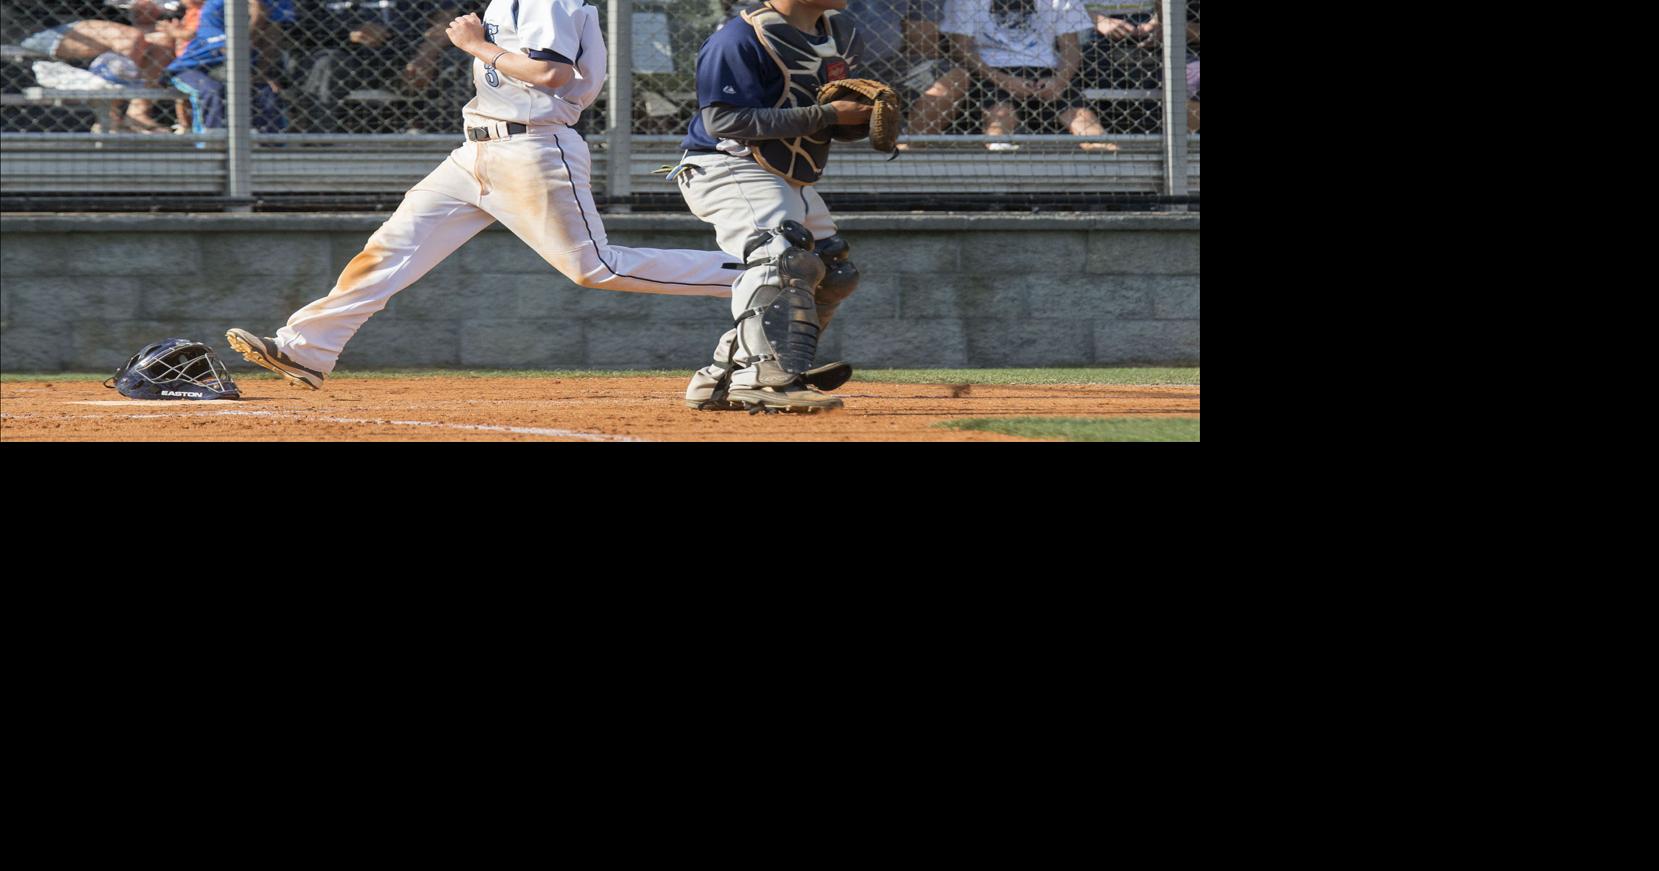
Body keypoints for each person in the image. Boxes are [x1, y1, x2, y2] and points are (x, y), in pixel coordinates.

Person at [225, 1, 740, 391]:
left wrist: (476, 45)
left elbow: (551, 73)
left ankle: (759, 278)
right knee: (391, 248)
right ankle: (307, 349)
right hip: (475, 149)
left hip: (532, 147)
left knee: (596, 268)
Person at [671, 0, 871, 413]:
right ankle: (763, 375)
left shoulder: (840, 34)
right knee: (782, 257)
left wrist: (852, 121)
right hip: (727, 164)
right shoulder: (739, 39)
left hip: (783, 171)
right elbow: (725, 122)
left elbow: (808, 111)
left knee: (833, 270)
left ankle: (724, 375)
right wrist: (828, 114)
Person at [940, 0, 1114, 151]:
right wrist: (1004, 81)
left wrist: (1059, 82)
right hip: (991, 70)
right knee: (1000, 116)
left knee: (1082, 118)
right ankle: (1000, 158)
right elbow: (960, 49)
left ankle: (1108, 164)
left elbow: (1071, 47)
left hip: (1046, 71)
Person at [166, 0, 285, 133]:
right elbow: (226, 48)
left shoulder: (258, 29)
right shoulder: (213, 8)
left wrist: (263, 75)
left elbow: (262, 22)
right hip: (192, 69)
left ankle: (269, 145)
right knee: (211, 90)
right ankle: (210, 141)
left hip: (229, 69)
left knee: (264, 92)